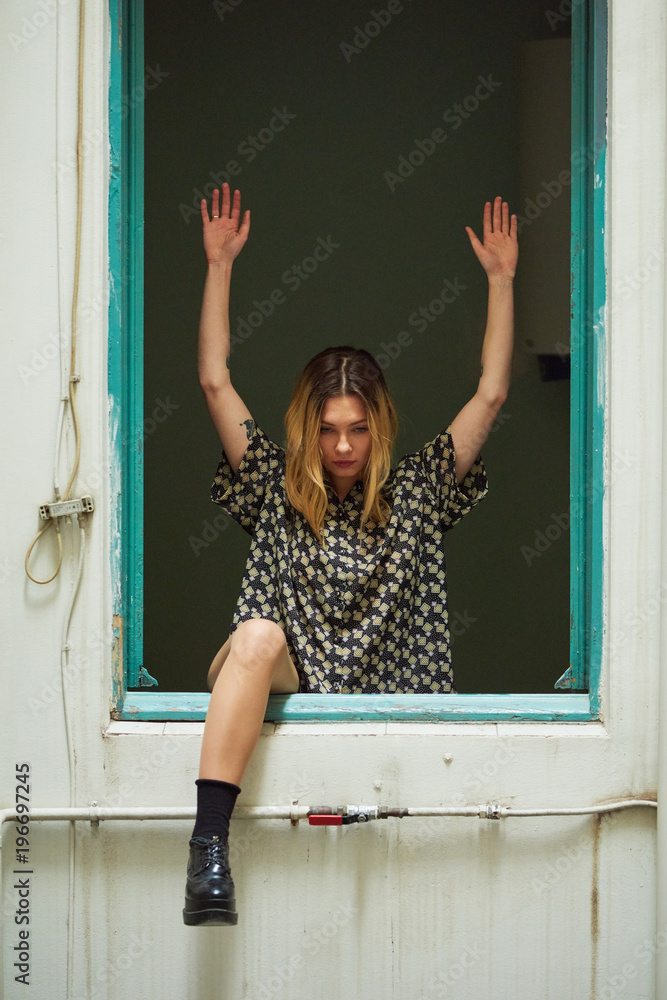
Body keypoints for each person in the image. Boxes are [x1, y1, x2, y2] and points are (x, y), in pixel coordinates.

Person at [183, 183, 518, 926]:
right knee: (257, 633)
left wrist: (500, 282)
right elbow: (214, 380)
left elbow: (490, 395)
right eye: (329, 427)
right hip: (282, 672)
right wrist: (219, 265)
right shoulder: (273, 482)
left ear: (379, 427)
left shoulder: (419, 492)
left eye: (357, 429)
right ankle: (208, 849)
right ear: (310, 424)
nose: (341, 446)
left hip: (385, 700)